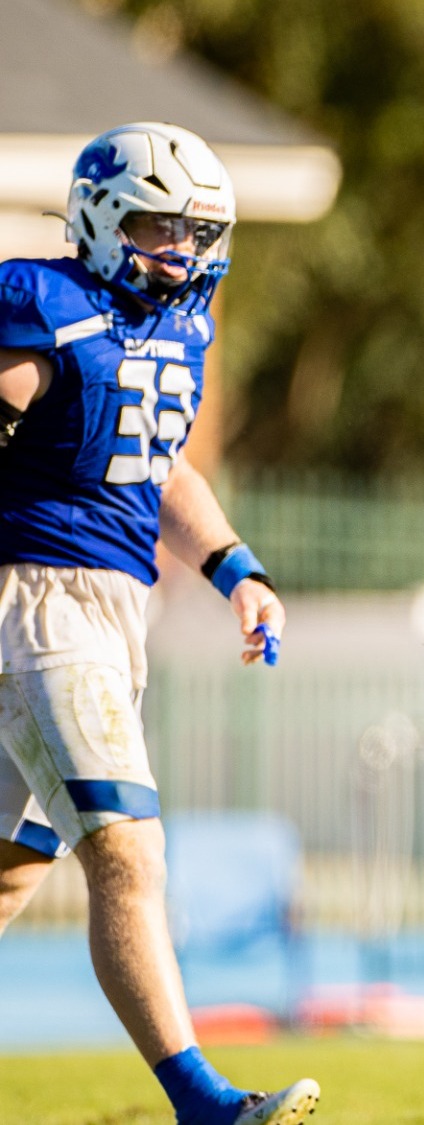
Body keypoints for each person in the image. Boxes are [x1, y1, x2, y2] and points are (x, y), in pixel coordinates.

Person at [0, 123, 317, 1125]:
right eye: (154, 225)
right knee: (128, 852)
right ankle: (201, 1100)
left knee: (7, 876)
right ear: (100, 218)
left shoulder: (183, 329)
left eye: (194, 231)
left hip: (108, 609)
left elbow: (160, 463)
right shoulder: (44, 305)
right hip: (40, 604)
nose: (178, 250)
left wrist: (236, 569)